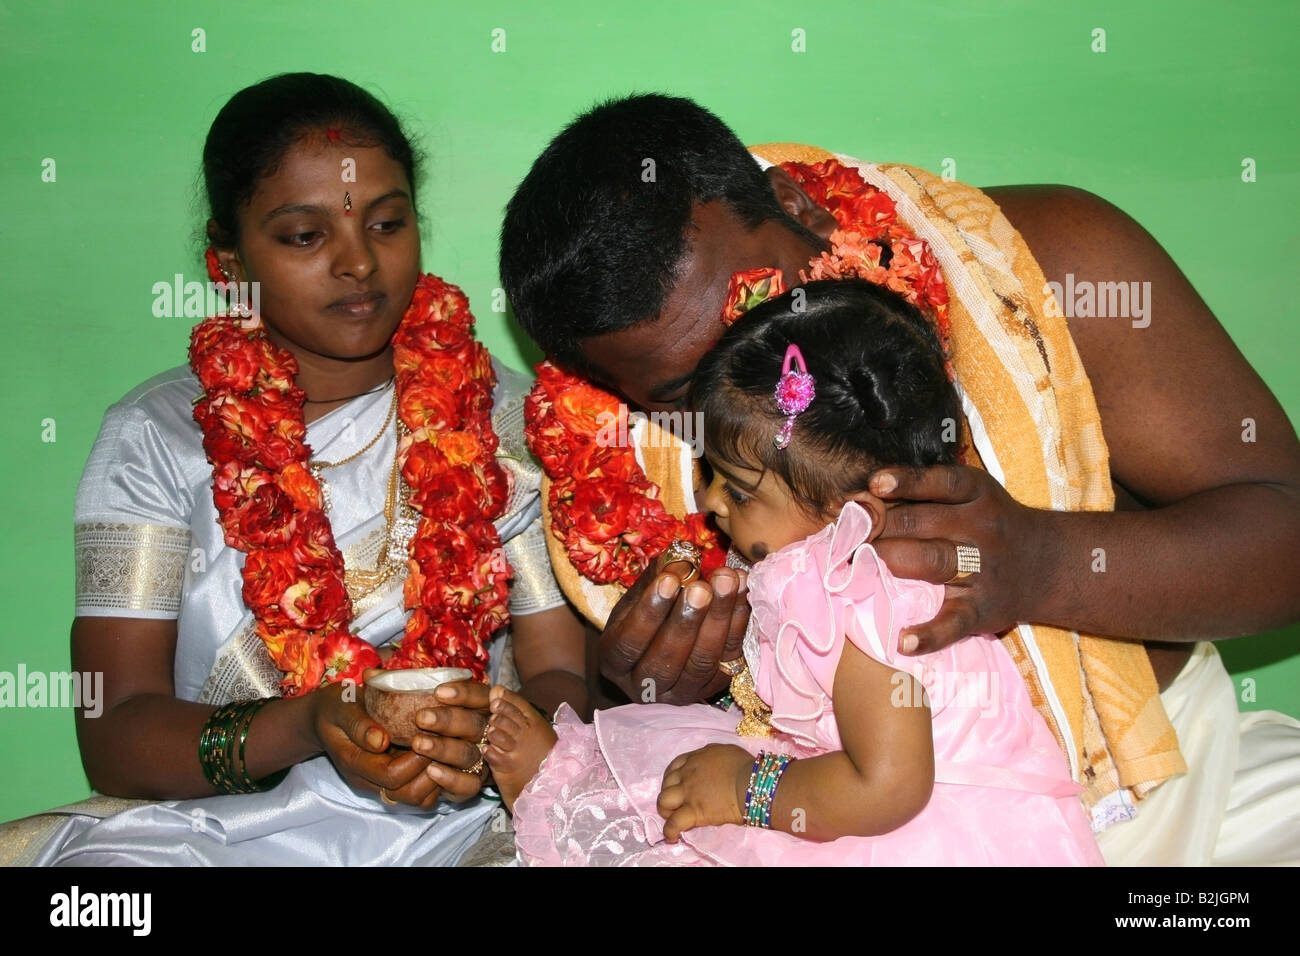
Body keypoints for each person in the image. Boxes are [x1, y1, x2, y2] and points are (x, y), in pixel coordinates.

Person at [499, 94, 1300, 865]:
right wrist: (671, 691)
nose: (778, 384)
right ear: (619, 395)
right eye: (692, 393)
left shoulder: (1045, 261)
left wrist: (1043, 562)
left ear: (803, 209)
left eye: (772, 304)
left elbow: (1286, 528)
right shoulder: (616, 460)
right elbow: (643, 740)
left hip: (1175, 780)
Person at [25, 73, 588, 866]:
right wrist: (307, 723)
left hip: (468, 821)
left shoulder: (500, 418)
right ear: (227, 259)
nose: (358, 263)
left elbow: (560, 671)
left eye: (387, 224)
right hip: (221, 833)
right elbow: (115, 734)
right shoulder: (153, 439)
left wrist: (488, 735)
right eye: (304, 236)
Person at [483, 280, 1103, 866]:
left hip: (910, 832)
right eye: (712, 475)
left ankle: (561, 793)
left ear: (848, 513)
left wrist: (745, 789)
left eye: (743, 491)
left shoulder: (844, 588)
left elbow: (890, 786)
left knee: (693, 813)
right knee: (686, 785)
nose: (713, 504)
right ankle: (566, 788)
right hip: (922, 807)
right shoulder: (881, 571)